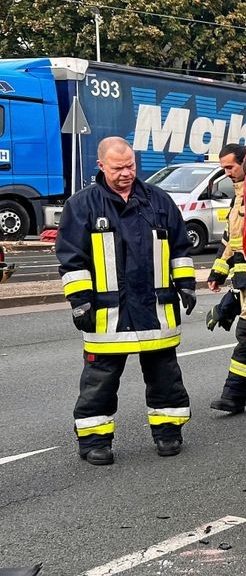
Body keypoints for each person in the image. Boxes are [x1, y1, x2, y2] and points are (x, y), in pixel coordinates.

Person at [56, 137, 196, 465]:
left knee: (165, 377)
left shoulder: (158, 202)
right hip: (107, 314)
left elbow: (179, 247)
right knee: (99, 383)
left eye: (130, 165)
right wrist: (79, 301)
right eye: (118, 167)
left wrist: (186, 284)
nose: (126, 173)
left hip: (155, 310)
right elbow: (71, 259)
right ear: (101, 165)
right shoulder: (82, 206)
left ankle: (168, 433)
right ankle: (94, 441)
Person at [207, 143, 246, 414]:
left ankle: (234, 394)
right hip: (245, 280)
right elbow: (230, 241)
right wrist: (217, 272)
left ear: (245, 163)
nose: (227, 173)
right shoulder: (239, 197)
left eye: (230, 167)